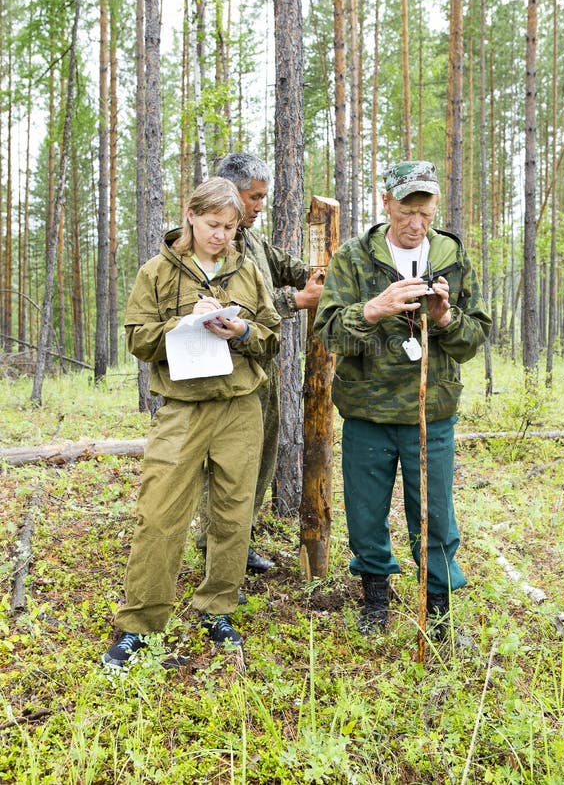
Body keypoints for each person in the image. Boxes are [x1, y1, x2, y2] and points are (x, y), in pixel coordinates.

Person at [102, 177, 280, 668]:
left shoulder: (247, 271)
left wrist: (241, 329)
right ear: (190, 215)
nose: (221, 235)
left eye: (230, 226)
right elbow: (138, 338)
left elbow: (271, 334)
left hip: (240, 406)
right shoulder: (158, 271)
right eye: (212, 225)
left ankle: (217, 608)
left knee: (232, 514)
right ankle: (139, 623)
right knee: (159, 514)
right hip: (181, 408)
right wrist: (181, 326)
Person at [313, 160, 491, 638]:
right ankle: (375, 594)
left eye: (426, 213)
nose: (416, 224)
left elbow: (474, 339)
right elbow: (329, 332)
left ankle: (438, 604)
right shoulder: (354, 258)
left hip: (432, 412)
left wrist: (446, 319)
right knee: (366, 509)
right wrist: (372, 309)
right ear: (386, 202)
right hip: (367, 411)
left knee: (434, 512)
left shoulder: (451, 257)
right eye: (407, 210)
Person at [195, 152, 324, 573]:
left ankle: (240, 539)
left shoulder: (251, 240)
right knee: (224, 465)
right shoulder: (210, 245)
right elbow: (232, 310)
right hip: (222, 375)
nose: (259, 206)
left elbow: (287, 268)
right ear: (230, 191)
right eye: (254, 197)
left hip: (260, 369)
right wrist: (296, 301)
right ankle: (214, 545)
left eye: (262, 198)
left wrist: (325, 273)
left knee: (261, 458)